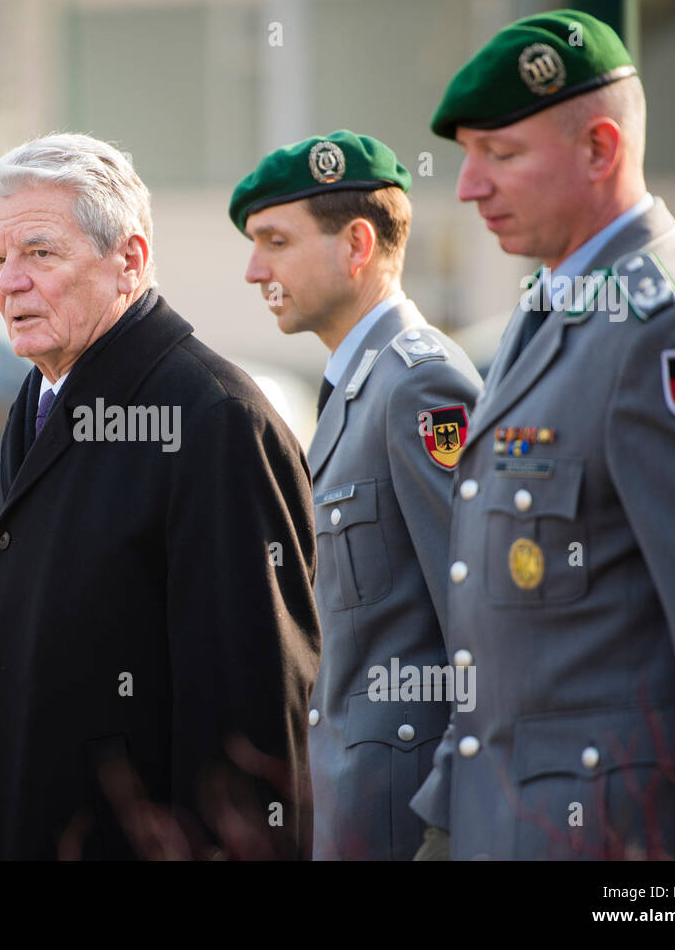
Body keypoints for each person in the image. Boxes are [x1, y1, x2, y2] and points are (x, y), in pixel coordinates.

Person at [410, 9, 675, 859]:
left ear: (601, 150)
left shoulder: (670, 331)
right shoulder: (555, 302)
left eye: (501, 155)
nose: (469, 186)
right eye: (467, 154)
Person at [0, 133, 321, 860]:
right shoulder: (41, 395)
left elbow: (248, 728)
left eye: (40, 253)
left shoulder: (215, 420)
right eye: (0, 261)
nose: (8, 284)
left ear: (130, 260)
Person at [230, 130, 482, 859]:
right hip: (353, 808)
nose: (254, 270)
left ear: (357, 245)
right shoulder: (359, 386)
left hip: (405, 818)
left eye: (275, 241)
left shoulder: (420, 384)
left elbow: (483, 628)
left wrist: (446, 823)